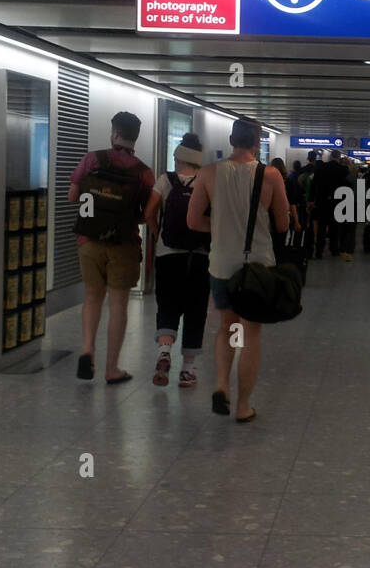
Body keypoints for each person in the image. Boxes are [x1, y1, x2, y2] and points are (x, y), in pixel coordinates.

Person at [187, 117, 289, 423]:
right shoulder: (270, 175)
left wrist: (219, 228)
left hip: (220, 263)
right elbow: (283, 224)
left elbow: (193, 222)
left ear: (231, 140)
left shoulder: (207, 173)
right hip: (257, 266)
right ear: (258, 142)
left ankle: (221, 386)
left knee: (227, 328)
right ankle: (243, 406)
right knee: (251, 333)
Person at [69, 111, 155, 384]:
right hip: (123, 244)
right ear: (135, 137)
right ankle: (111, 369)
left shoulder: (92, 159)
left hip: (88, 241)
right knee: (118, 304)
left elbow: (73, 197)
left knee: (92, 297)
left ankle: (87, 350)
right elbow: (146, 214)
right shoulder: (143, 172)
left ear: (115, 132)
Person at [143, 132, 210, 388]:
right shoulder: (206, 182)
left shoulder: (166, 180)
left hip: (168, 255)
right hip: (200, 256)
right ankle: (188, 371)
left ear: (178, 156)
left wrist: (159, 235)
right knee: (195, 311)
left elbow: (149, 213)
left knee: (168, 306)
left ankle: (164, 353)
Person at [309, 148, 349, 259]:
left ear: (331, 156)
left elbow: (314, 185)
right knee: (334, 227)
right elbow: (347, 181)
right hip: (337, 202)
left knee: (321, 227)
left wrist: (311, 200)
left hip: (322, 202)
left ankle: (319, 251)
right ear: (339, 157)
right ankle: (334, 250)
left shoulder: (321, 168)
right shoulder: (342, 169)